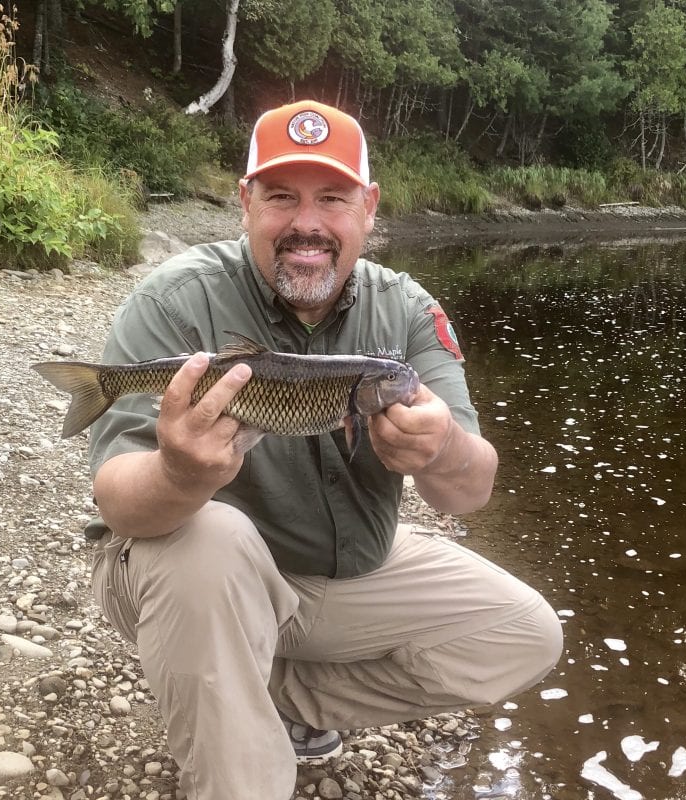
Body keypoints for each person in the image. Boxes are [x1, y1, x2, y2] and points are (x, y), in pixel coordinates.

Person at [85, 99, 562, 800]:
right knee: (212, 536)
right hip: (187, 570)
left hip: (338, 577)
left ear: (369, 208)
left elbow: (471, 491)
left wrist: (440, 450)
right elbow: (117, 499)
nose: (307, 222)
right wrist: (179, 473)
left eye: (332, 198)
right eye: (282, 197)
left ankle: (271, 697)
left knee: (527, 632)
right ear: (244, 202)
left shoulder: (408, 309)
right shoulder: (174, 300)